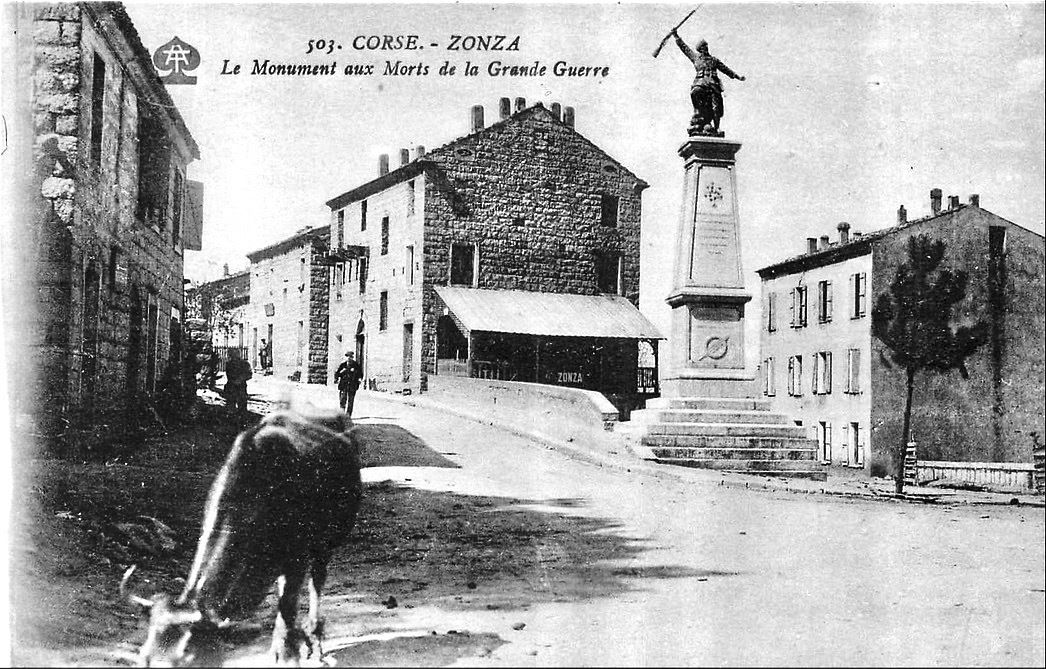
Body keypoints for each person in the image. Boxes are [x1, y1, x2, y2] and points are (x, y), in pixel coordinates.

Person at [671, 31, 745, 134]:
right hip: (700, 83)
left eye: (706, 46)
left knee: (716, 107)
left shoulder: (714, 60)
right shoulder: (695, 57)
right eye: (703, 47)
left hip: (713, 85)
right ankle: (698, 114)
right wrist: (676, 36)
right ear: (700, 49)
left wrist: (737, 76)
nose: (705, 48)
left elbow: (725, 69)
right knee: (695, 92)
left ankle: (717, 127)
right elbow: (685, 48)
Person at [334, 351, 364, 418]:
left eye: (350, 357)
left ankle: (348, 416)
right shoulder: (343, 365)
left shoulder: (356, 365)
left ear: (352, 357)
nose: (349, 358)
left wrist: (359, 379)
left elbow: (360, 374)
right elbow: (337, 374)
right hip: (343, 385)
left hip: (352, 385)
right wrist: (342, 372)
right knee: (342, 400)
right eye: (347, 356)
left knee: (350, 401)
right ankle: (342, 415)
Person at [224, 348, 253, 415]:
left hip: (240, 387)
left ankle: (240, 421)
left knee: (241, 406)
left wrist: (241, 379)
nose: (233, 356)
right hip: (232, 387)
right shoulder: (229, 364)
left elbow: (249, 374)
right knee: (231, 407)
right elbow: (229, 375)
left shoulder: (245, 364)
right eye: (231, 354)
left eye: (235, 354)